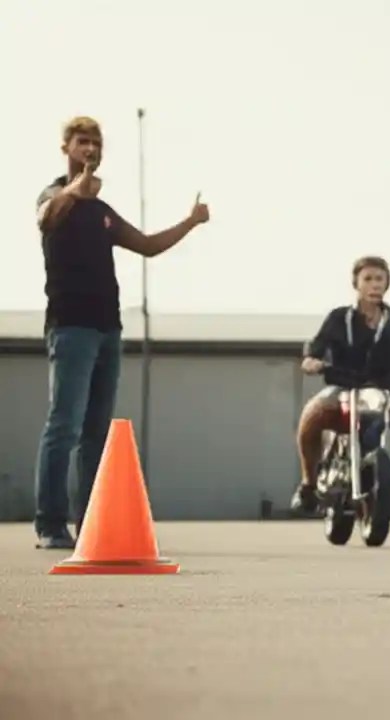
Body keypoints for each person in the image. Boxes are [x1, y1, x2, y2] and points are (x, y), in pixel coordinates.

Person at [32, 116, 211, 549]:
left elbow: (147, 245)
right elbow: (45, 218)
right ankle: (50, 523)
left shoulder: (103, 212)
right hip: (71, 327)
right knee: (65, 425)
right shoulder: (56, 195)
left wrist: (190, 222)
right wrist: (76, 188)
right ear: (66, 148)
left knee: (96, 432)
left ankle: (89, 525)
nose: (90, 148)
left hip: (108, 329)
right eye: (82, 142)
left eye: (95, 142)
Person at [291, 256, 390, 519]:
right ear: (356, 284)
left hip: (381, 392)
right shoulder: (339, 317)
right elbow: (318, 346)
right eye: (368, 279)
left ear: (387, 284)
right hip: (342, 388)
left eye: (379, 279)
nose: (374, 285)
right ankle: (307, 485)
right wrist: (312, 360)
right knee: (312, 412)